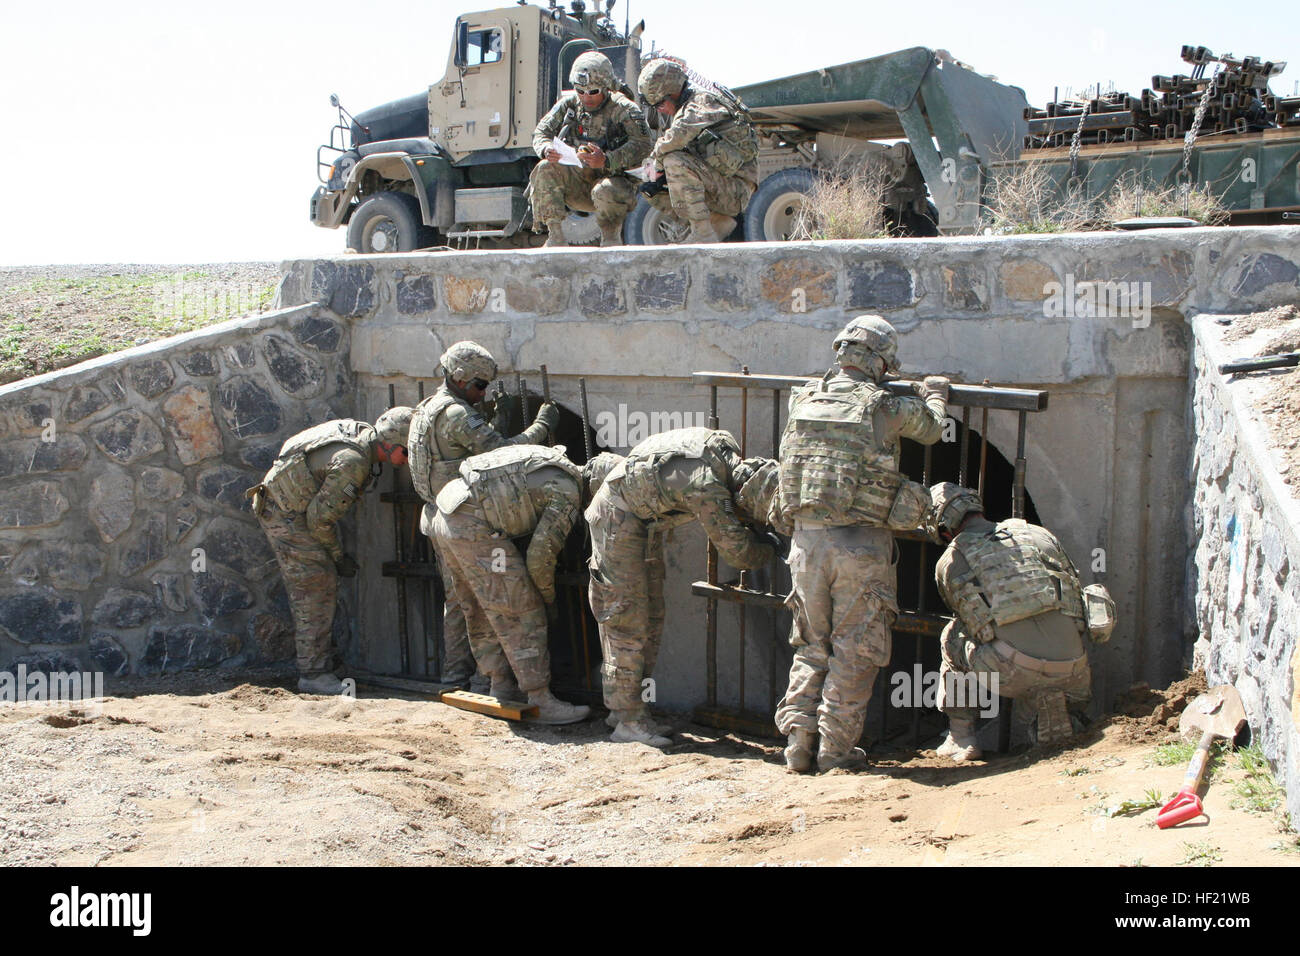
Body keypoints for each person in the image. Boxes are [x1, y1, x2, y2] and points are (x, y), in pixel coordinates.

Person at [774, 315, 949, 772]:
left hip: (805, 544)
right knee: (855, 648)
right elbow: (932, 430)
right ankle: (834, 751)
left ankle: (797, 744)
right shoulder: (883, 405)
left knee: (812, 645)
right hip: (860, 547)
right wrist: (935, 394)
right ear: (880, 362)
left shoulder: (803, 399)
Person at [586, 428, 777, 746]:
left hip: (639, 520)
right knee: (627, 621)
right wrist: (768, 546)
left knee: (652, 617)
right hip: (617, 520)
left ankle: (627, 711)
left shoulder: (721, 447)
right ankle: (628, 722)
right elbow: (737, 551)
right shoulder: (707, 484)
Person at [926, 483, 1114, 762]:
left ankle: (961, 738)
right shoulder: (1037, 533)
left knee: (952, 636)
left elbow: (971, 620)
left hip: (1011, 674)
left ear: (944, 529)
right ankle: (1062, 714)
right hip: (1076, 670)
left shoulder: (950, 561)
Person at [408, 341, 559, 687]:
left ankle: (458, 674)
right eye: (480, 385)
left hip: (437, 518)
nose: (483, 392)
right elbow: (503, 453)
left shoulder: (426, 408)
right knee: (490, 597)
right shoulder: (456, 414)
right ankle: (491, 680)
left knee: (460, 599)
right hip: (463, 520)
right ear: (460, 378)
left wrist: (497, 419)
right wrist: (540, 426)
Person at [430, 444, 608, 725]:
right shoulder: (568, 493)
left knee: (480, 604)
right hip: (474, 525)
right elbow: (539, 557)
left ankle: (500, 684)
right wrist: (547, 599)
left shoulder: (554, 463)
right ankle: (539, 698)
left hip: (446, 515)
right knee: (521, 607)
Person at [248, 407, 414, 695]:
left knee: (319, 580)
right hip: (286, 516)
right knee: (315, 585)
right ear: (390, 445)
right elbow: (318, 520)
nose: (408, 460)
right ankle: (313, 673)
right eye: (407, 452)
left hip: (288, 507)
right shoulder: (354, 463)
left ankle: (324, 660)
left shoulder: (362, 436)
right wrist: (338, 557)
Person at [529, 51, 653, 247]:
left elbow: (643, 144)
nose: (586, 98)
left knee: (606, 189)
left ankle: (611, 238)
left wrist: (608, 160)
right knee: (544, 168)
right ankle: (555, 236)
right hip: (579, 182)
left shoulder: (623, 108)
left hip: (614, 184)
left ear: (605, 88)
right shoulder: (569, 105)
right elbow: (540, 132)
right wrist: (546, 149)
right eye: (580, 91)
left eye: (593, 92)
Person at [636, 57, 759, 244]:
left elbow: (675, 138)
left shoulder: (702, 102)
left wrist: (653, 167)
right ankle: (714, 223)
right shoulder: (686, 107)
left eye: (660, 104)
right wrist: (649, 175)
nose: (660, 111)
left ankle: (703, 233)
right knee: (650, 186)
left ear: (673, 93)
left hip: (736, 191)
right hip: (719, 185)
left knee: (672, 162)